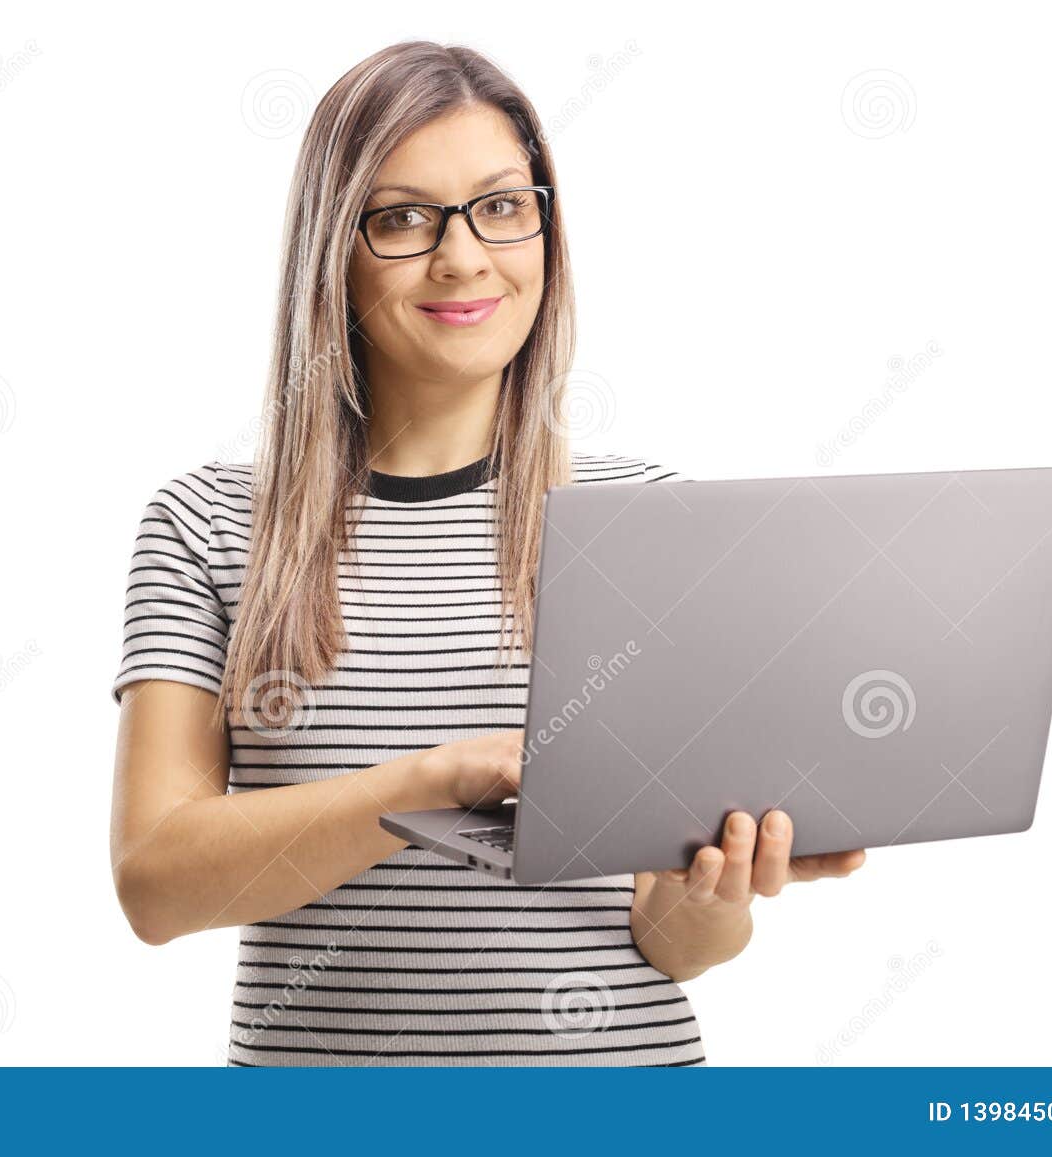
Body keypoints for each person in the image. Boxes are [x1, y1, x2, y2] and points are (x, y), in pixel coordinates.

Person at [108, 40, 867, 1067]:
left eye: (502, 206)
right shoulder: (207, 525)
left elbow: (676, 942)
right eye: (404, 217)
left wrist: (710, 890)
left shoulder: (649, 520)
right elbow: (156, 881)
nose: (463, 257)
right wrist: (432, 781)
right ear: (333, 248)